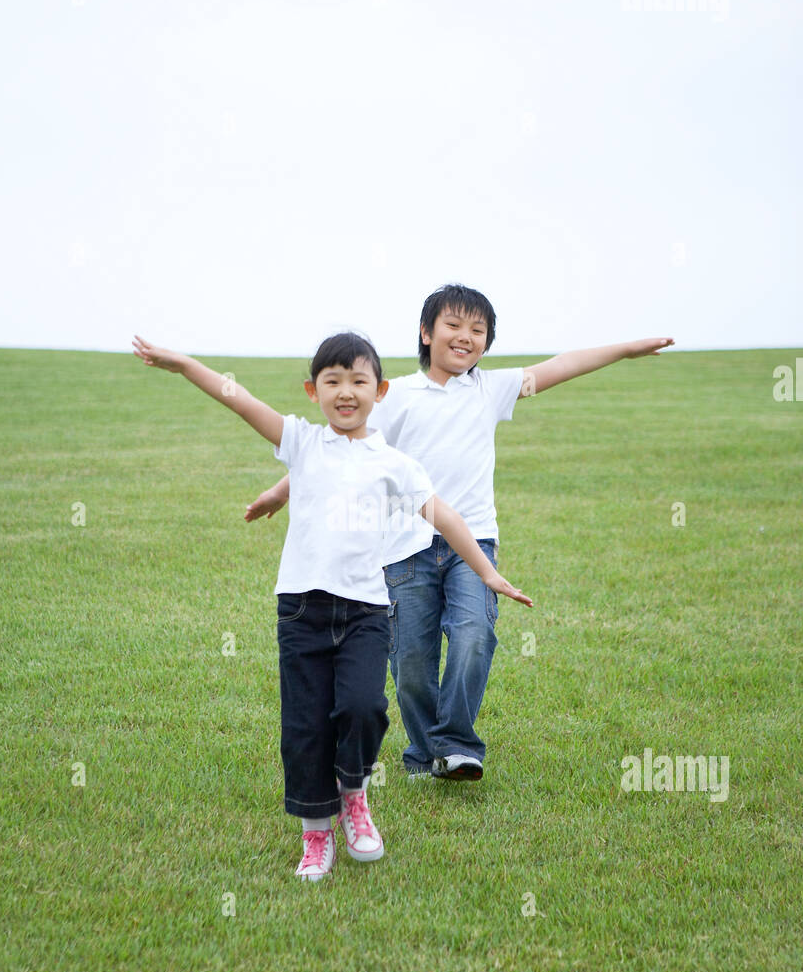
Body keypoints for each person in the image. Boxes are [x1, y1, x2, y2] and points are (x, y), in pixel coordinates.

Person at [132, 329, 533, 881]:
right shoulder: (301, 443)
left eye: (358, 381)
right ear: (312, 390)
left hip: (368, 611)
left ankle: (353, 791)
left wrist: (488, 573)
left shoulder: (395, 466)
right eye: (333, 381)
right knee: (304, 726)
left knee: (364, 708)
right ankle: (315, 836)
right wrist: (183, 365)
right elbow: (236, 397)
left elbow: (446, 519)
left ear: (381, 390)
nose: (346, 392)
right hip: (302, 610)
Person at [245, 284, 674, 781]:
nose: (465, 337)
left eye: (478, 330)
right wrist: (283, 490)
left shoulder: (491, 390)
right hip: (405, 547)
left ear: (487, 343)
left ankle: (458, 744)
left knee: (473, 635)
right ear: (426, 333)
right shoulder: (396, 393)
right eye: (453, 325)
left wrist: (626, 349)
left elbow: (565, 364)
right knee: (409, 660)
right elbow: (341, 450)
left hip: (473, 544)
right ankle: (426, 754)